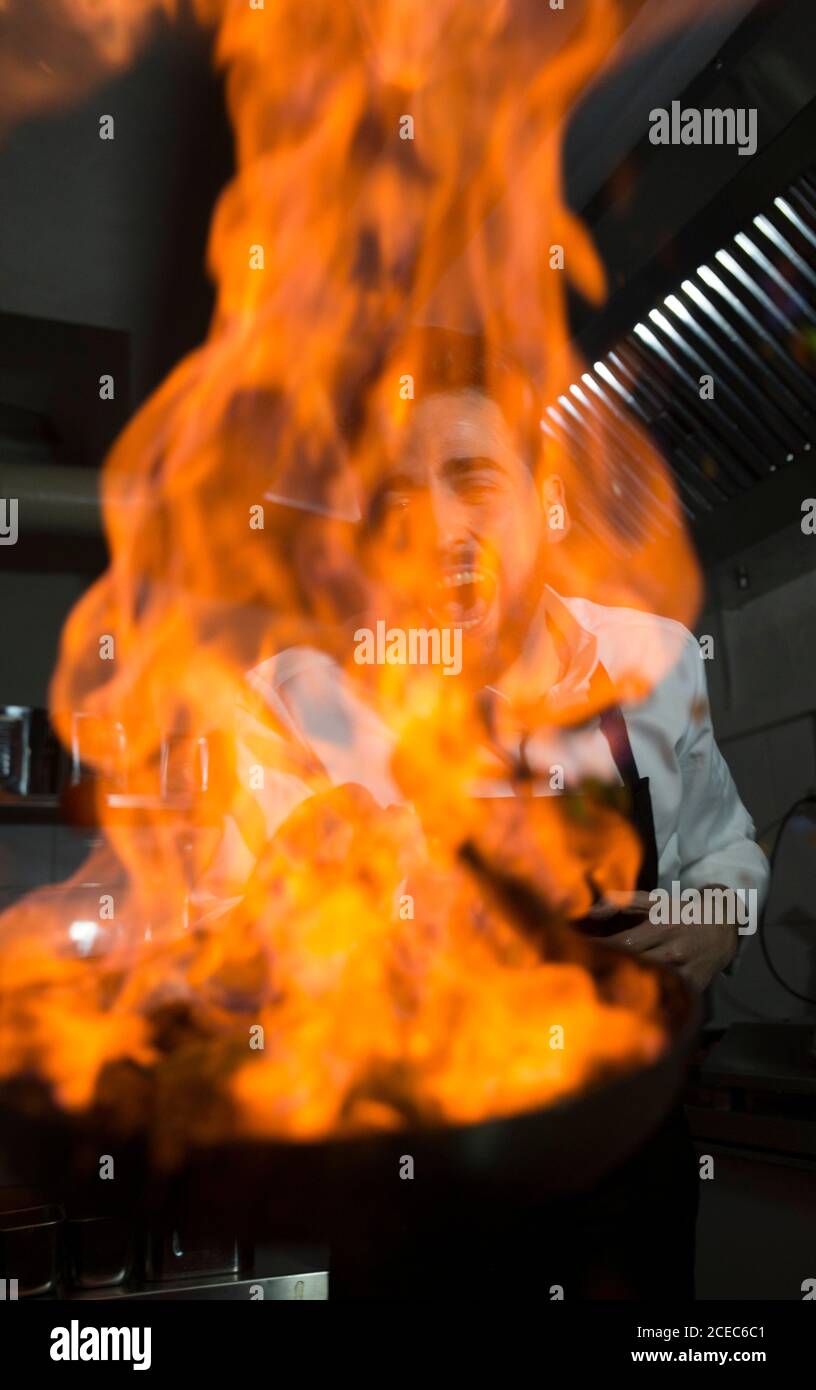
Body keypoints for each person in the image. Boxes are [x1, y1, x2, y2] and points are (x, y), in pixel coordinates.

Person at [196, 326, 769, 1296]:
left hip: (622, 1195)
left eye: (473, 478)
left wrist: (714, 926)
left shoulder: (653, 667)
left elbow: (730, 852)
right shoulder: (296, 705)